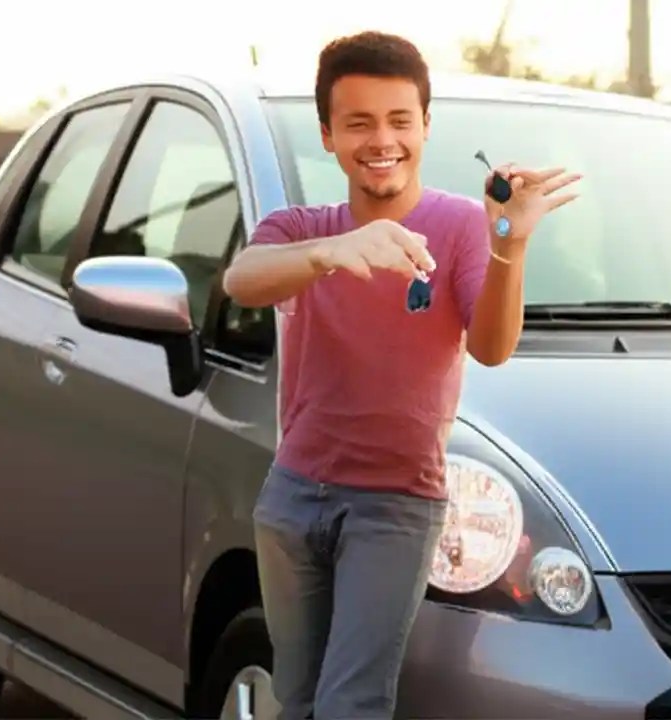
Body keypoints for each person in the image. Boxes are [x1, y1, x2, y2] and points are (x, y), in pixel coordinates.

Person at [221, 30, 581, 720]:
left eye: (398, 121)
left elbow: (493, 346)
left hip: (395, 503)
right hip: (293, 497)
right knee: (295, 699)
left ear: (425, 127)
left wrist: (510, 243)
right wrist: (336, 249)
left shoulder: (460, 227)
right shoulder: (302, 227)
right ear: (327, 135)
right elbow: (244, 279)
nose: (380, 140)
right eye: (358, 123)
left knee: (352, 703)